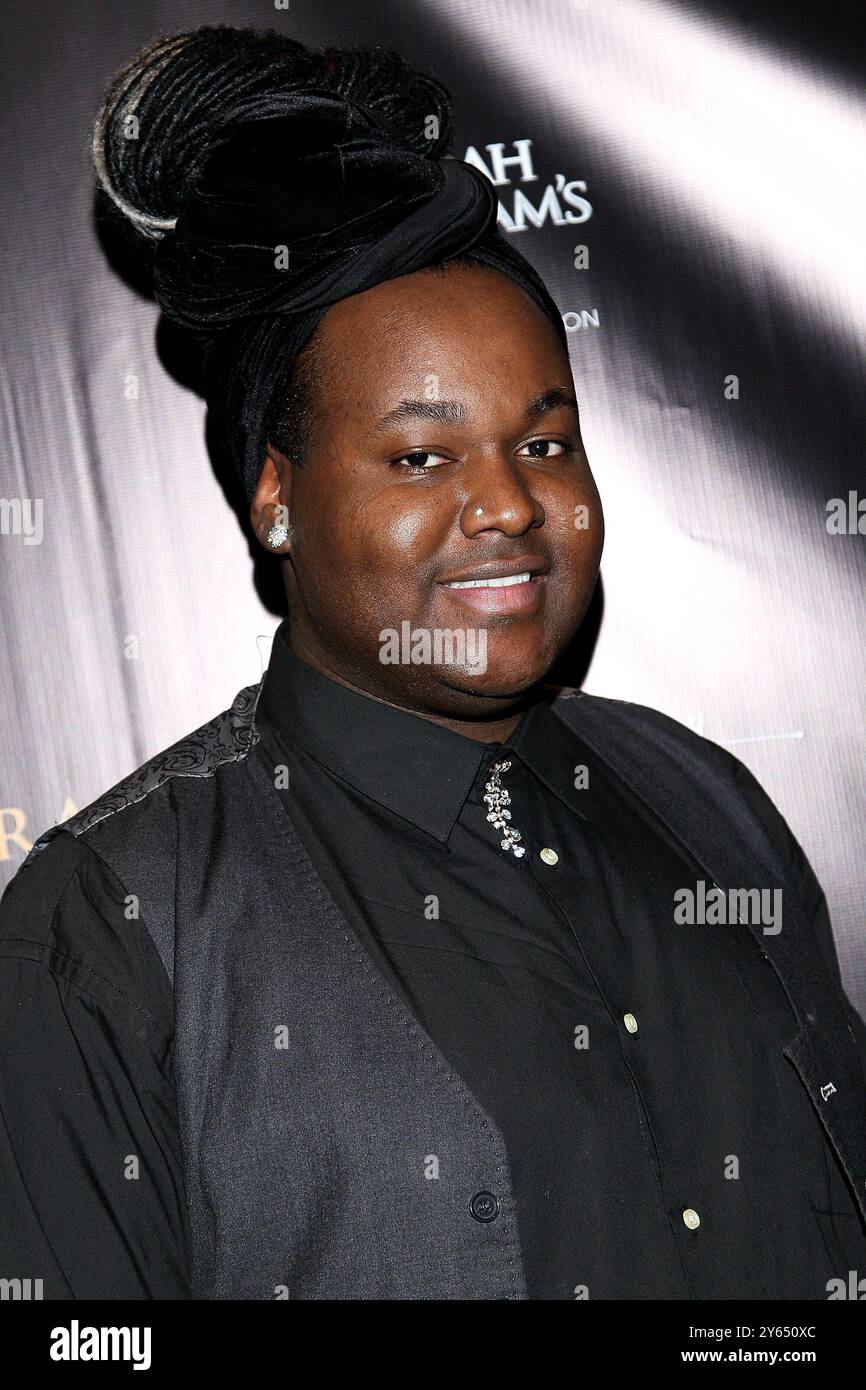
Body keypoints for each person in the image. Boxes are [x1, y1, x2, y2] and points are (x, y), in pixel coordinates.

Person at [1, 23, 865, 1302]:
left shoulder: (708, 804)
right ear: (275, 498)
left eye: (545, 442)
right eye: (420, 456)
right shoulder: (108, 934)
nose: (509, 503)